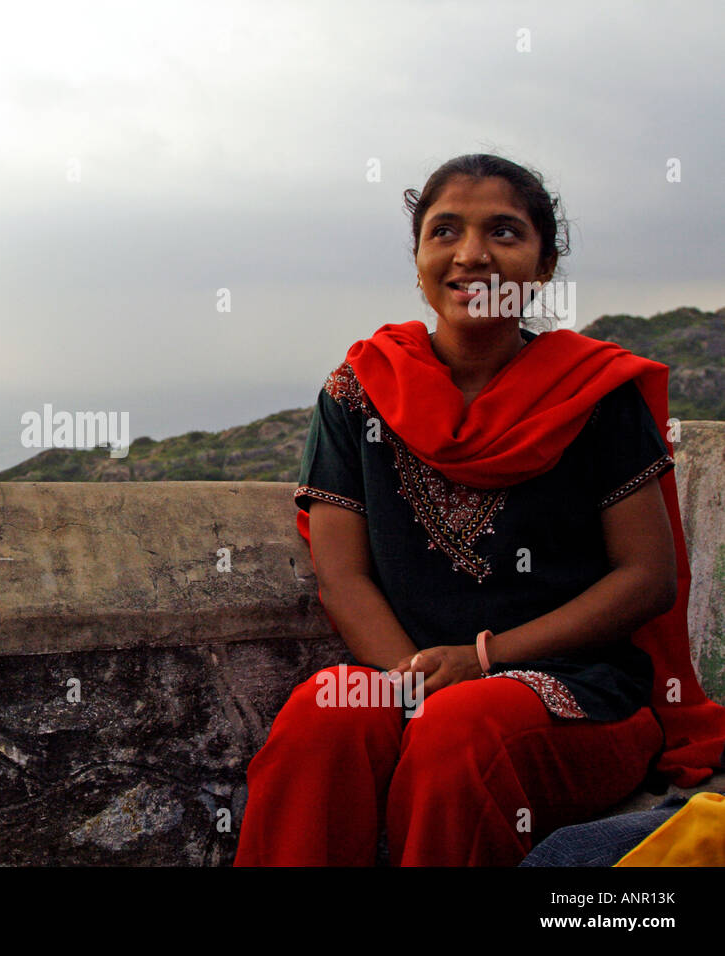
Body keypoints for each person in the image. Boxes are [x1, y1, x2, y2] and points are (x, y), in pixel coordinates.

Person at [233, 153, 725, 866]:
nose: (471, 255)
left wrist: (484, 660)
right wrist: (414, 678)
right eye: (444, 232)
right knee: (325, 710)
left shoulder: (593, 394)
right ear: (419, 257)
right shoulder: (361, 389)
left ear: (544, 262)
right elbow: (342, 576)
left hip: (581, 695)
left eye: (503, 232)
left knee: (461, 727)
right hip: (417, 676)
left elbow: (646, 576)